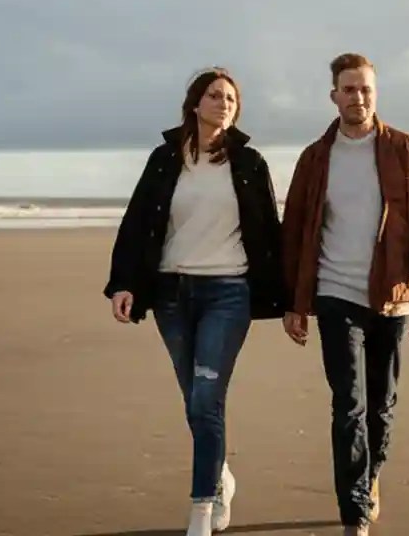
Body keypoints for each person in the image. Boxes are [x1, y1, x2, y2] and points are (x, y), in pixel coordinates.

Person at [103, 67, 286, 536]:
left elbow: (270, 233)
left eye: (231, 98)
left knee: (206, 398)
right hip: (171, 293)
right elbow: (137, 222)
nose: (223, 103)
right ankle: (219, 472)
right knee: (195, 400)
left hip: (228, 291)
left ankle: (203, 508)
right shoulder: (165, 159)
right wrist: (123, 283)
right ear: (195, 104)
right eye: (214, 95)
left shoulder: (250, 164)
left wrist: (290, 299)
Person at [280, 53, 409, 535]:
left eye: (366, 89)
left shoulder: (404, 150)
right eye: (349, 89)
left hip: (392, 296)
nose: (358, 97)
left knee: (381, 405)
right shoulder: (316, 158)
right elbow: (295, 231)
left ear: (376, 93)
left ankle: (371, 476)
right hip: (335, 294)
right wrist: (295, 302)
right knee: (347, 404)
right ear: (334, 96)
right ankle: (353, 513)